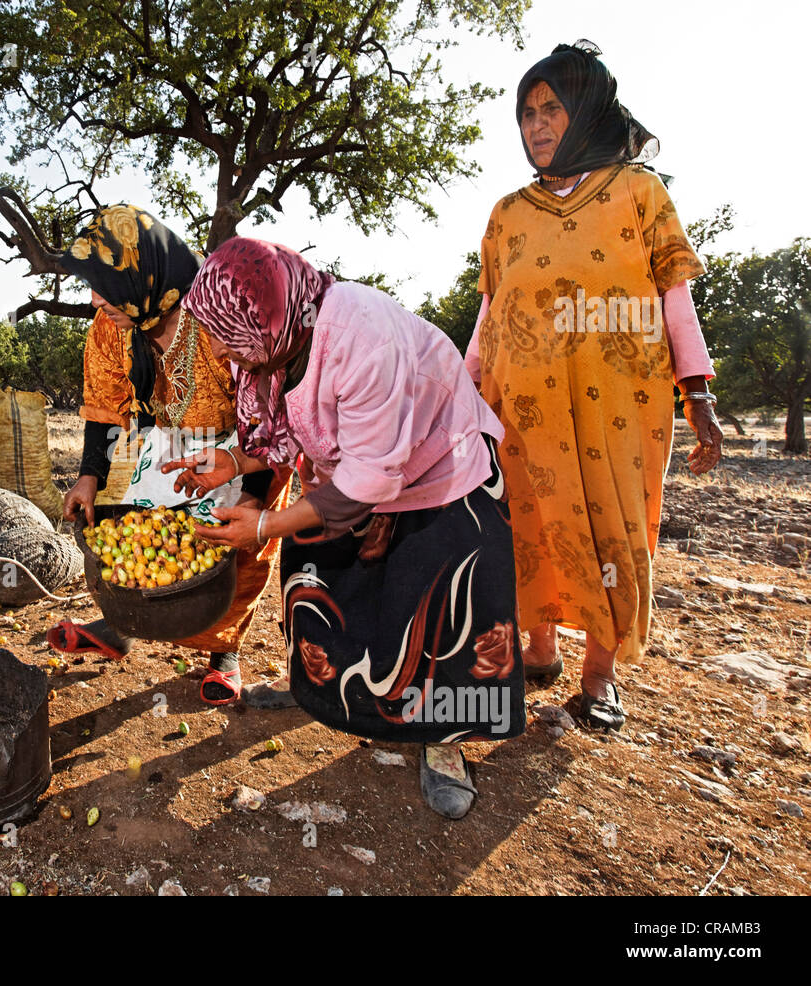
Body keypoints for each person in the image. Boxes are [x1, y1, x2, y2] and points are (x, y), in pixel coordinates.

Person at [165, 236, 524, 820]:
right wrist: (235, 460)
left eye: (223, 333)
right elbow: (286, 431)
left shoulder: (364, 338)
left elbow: (368, 480)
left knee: (434, 614)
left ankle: (446, 744)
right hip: (351, 472)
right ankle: (322, 691)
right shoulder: (270, 336)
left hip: (437, 471)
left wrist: (266, 527)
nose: (216, 346)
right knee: (324, 586)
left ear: (269, 320)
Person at [465, 41, 722, 731]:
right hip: (522, 414)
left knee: (616, 532)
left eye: (553, 108)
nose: (538, 125)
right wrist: (463, 396)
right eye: (527, 113)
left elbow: (675, 294)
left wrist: (698, 392)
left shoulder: (640, 192)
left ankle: (599, 675)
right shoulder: (506, 214)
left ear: (589, 113)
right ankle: (538, 645)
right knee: (528, 528)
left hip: (621, 410)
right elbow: (490, 314)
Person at [52, 204, 291, 706]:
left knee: (233, 550)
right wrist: (90, 475)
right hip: (156, 441)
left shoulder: (217, 312)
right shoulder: (108, 324)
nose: (96, 298)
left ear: (146, 273)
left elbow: (270, 421)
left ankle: (223, 649)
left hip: (246, 446)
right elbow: (104, 404)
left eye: (105, 284)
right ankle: (125, 624)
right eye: (91, 284)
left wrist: (251, 493)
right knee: (138, 532)